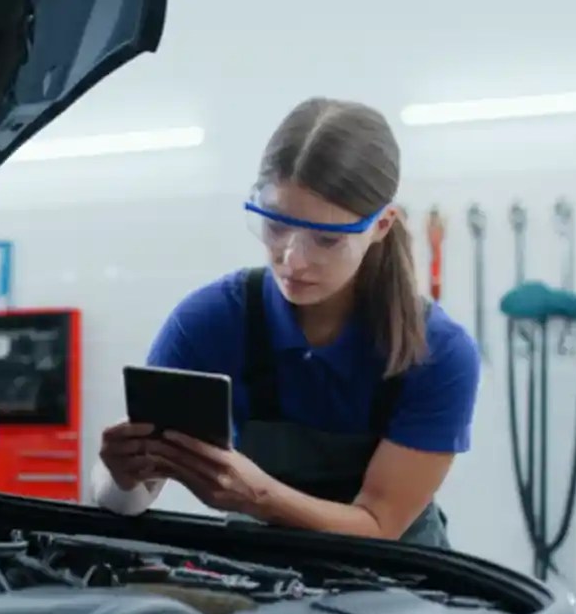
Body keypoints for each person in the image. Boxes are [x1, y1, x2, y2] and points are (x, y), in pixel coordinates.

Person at [90, 97, 481, 550]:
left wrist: (260, 496)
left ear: (380, 225)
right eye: (276, 226)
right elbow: (132, 498)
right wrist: (117, 477)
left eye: (327, 239)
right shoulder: (210, 323)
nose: (293, 260)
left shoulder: (437, 351)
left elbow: (379, 525)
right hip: (264, 579)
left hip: (400, 587)